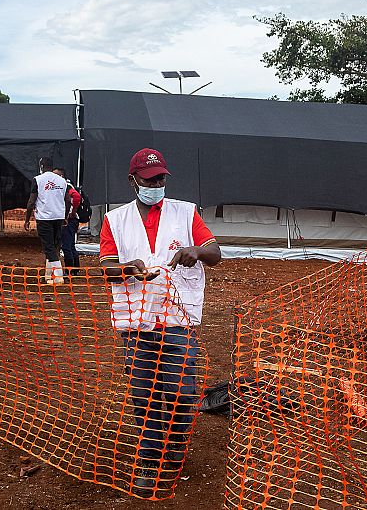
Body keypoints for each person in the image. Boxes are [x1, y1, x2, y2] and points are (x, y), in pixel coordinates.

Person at [98, 148, 221, 494]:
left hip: (177, 321)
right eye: (151, 179)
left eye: (162, 178)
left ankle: (177, 447)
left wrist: (197, 251)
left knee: (183, 393)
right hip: (136, 323)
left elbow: (215, 252)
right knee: (146, 395)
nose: (157, 184)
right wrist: (127, 267)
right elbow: (106, 267)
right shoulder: (115, 220)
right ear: (133, 180)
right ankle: (150, 460)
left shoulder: (185, 213)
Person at [24, 162, 70, 285]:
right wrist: (65, 216)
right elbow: (68, 200)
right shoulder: (62, 181)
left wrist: (27, 219)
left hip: (44, 217)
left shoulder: (38, 180)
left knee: (48, 247)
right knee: (55, 245)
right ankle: (49, 275)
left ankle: (58, 276)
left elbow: (31, 201)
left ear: (41, 167)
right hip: (59, 217)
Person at [53, 167, 82, 271]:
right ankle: (75, 269)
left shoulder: (66, 186)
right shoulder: (64, 186)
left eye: (55, 174)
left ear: (61, 176)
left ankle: (70, 271)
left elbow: (77, 197)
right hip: (71, 220)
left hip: (69, 220)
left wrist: (72, 212)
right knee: (70, 245)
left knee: (66, 246)